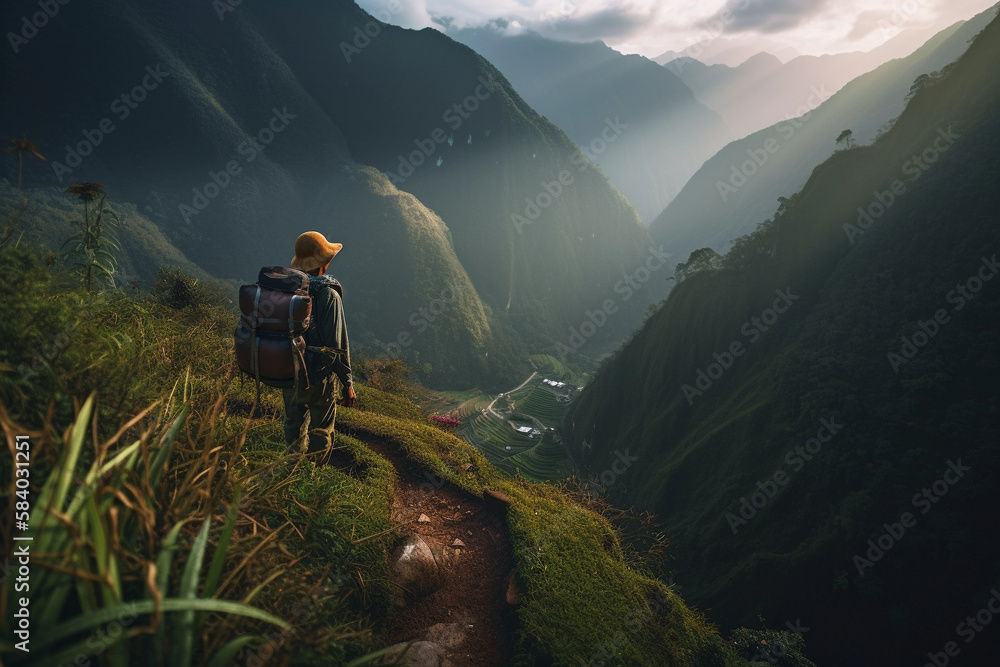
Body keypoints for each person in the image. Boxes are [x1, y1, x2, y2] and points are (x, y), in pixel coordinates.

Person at [284, 231, 356, 461]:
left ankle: (290, 474)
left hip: (289, 372)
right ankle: (313, 478)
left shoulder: (287, 289)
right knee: (321, 430)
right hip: (317, 377)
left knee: (293, 427)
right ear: (323, 264)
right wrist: (348, 383)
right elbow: (337, 345)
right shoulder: (328, 294)